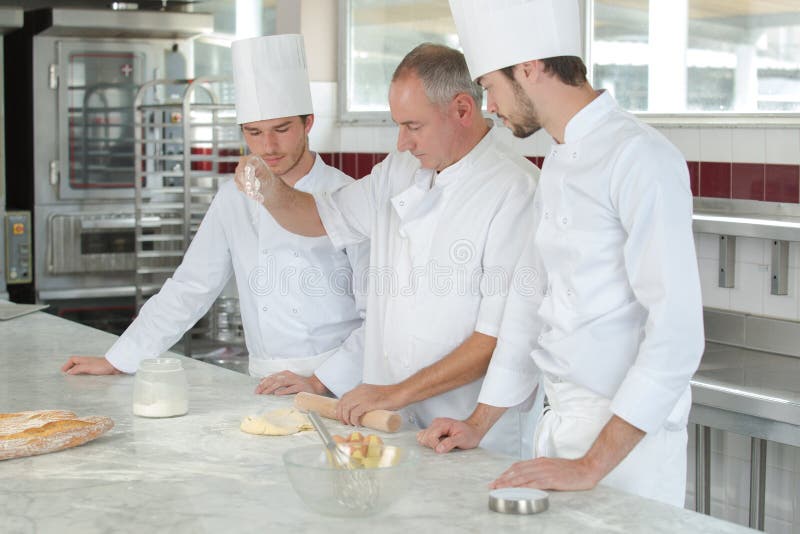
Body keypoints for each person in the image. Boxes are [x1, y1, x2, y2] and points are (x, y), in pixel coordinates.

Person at [417, 0, 704, 506]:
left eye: (489, 86)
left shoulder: (642, 157)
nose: (488, 105)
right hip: (560, 425)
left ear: (528, 68)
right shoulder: (556, 161)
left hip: (628, 444)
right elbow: (529, 305)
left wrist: (592, 465)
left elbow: (677, 335)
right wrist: (478, 424)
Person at [235, 43, 539, 457]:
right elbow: (321, 217)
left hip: (470, 430)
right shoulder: (402, 169)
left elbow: (497, 337)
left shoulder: (514, 188)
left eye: (413, 126)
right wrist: (269, 191)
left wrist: (396, 393)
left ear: (463, 110)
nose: (402, 143)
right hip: (389, 419)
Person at [62, 34, 367, 399]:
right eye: (254, 133)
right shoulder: (232, 198)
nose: (268, 147)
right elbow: (191, 286)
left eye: (281, 129)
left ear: (308, 123)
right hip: (267, 383)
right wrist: (119, 359)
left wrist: (322, 382)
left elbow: (380, 316)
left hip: (344, 385)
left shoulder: (349, 197)